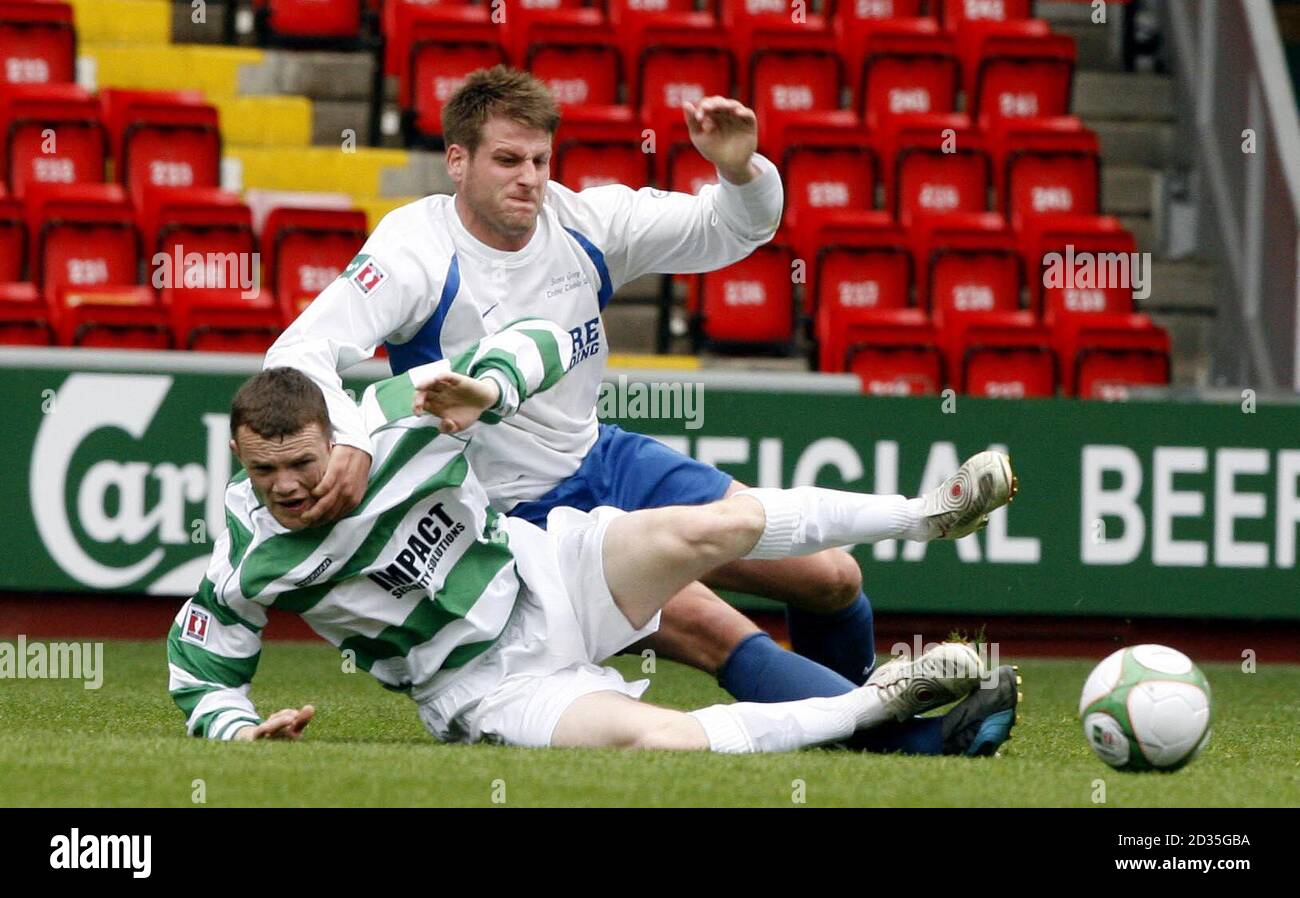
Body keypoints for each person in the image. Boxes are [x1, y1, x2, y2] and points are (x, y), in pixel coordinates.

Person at [263, 65, 1017, 754]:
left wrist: (739, 169)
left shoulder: (584, 222)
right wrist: (354, 437)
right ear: (457, 161)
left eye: (538, 160)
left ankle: (860, 725)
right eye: (506, 160)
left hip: (603, 458)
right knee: (714, 631)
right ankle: (904, 744)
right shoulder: (413, 251)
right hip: (507, 518)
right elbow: (298, 354)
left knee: (833, 579)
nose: (528, 179)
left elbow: (735, 228)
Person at [169, 319, 1016, 752]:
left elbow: (542, 341)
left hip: (552, 573)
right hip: (485, 688)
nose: (283, 488)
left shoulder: (394, 416)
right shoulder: (250, 556)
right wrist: (238, 730)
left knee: (716, 526)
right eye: (260, 472)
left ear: (334, 433)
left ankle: (925, 514)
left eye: (301, 465)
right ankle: (876, 701)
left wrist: (490, 387)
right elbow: (198, 663)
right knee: (658, 741)